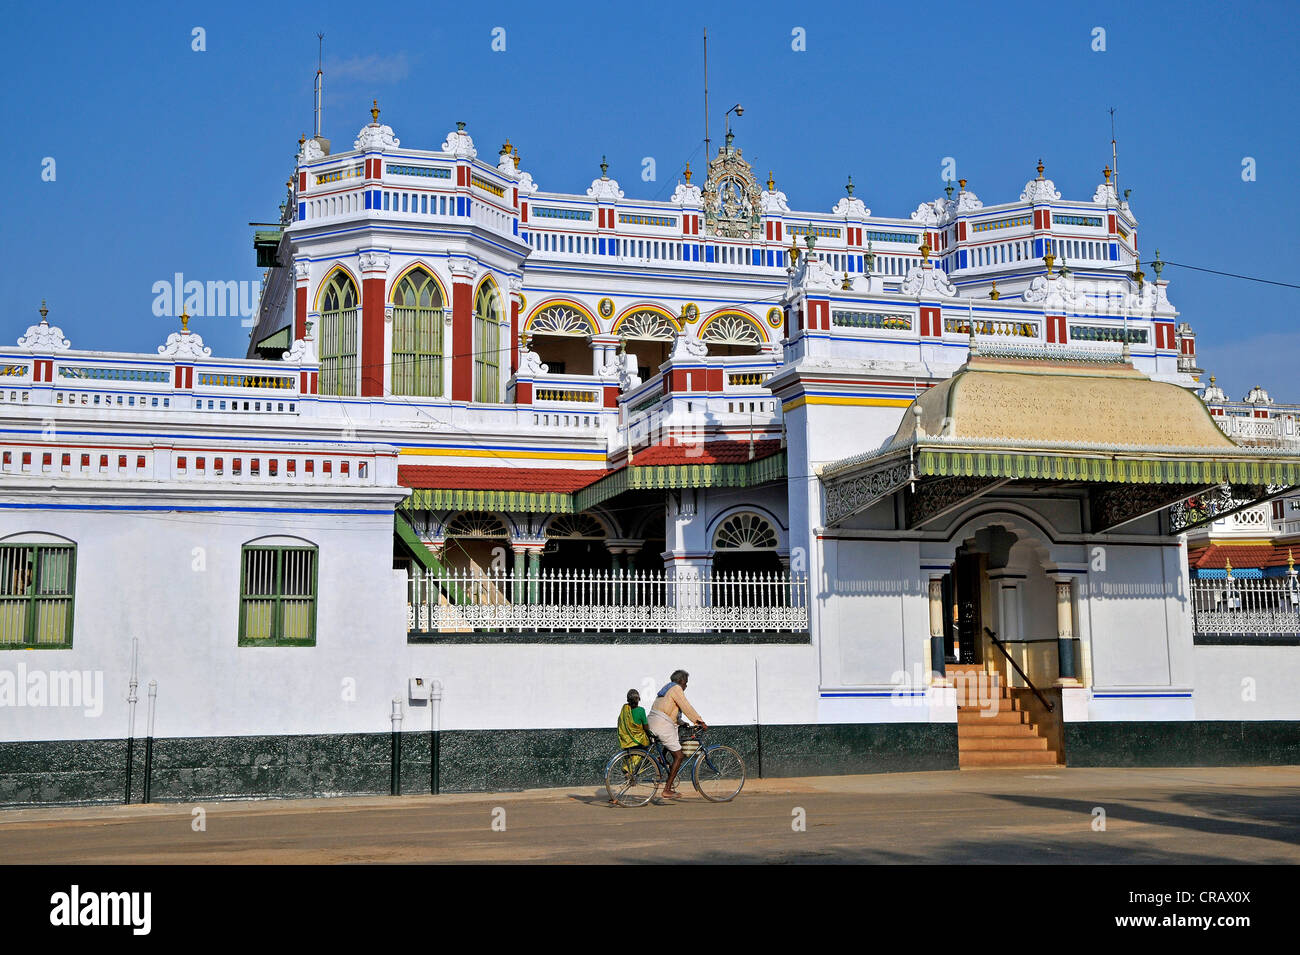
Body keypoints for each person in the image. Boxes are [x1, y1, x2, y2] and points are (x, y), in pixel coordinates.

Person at [646, 669, 707, 799]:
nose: (686, 686)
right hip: (662, 723)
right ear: (681, 681)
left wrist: (681, 722)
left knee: (671, 744)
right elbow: (686, 706)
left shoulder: (666, 689)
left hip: (654, 720)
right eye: (686, 683)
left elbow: (669, 709)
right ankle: (667, 789)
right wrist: (699, 721)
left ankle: (661, 759)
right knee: (679, 756)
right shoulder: (676, 688)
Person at [610, 689, 652, 804]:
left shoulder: (624, 709)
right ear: (638, 700)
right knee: (648, 752)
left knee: (629, 759)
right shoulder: (641, 710)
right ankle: (635, 773)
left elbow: (621, 724)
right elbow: (645, 727)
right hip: (639, 741)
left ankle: (628, 772)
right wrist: (651, 735)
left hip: (627, 741)